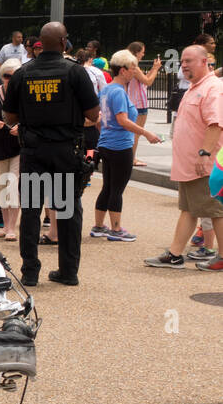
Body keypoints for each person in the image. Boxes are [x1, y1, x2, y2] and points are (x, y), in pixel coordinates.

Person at [2, 21, 99, 287]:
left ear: (40, 43)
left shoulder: (23, 73)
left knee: (31, 211)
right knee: (67, 210)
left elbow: (9, 116)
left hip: (34, 151)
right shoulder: (75, 72)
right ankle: (68, 271)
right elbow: (93, 113)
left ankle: (29, 271)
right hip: (66, 151)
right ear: (63, 41)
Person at [144, 43, 223, 271]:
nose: (184, 65)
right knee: (188, 210)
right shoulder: (195, 86)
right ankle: (175, 254)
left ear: (204, 61)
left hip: (204, 165)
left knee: (216, 212)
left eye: (189, 61)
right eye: (183, 61)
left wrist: (205, 153)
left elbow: (216, 123)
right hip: (191, 165)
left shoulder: (212, 88)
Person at [92, 50, 161, 242]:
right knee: (117, 189)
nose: (134, 72)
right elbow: (123, 120)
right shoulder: (119, 92)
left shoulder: (105, 89)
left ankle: (98, 225)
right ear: (123, 70)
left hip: (106, 142)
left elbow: (99, 120)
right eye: (132, 68)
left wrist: (105, 133)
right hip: (120, 144)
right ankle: (116, 229)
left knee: (107, 185)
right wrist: (146, 132)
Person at [0, 57, 23, 241]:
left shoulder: (24, 95)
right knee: (1, 187)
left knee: (13, 186)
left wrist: (22, 127)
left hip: (18, 147)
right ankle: (5, 225)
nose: (10, 80)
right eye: (6, 76)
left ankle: (11, 228)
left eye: (14, 77)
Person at [125, 42, 161, 166]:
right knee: (136, 133)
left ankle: (130, 157)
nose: (143, 54)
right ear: (136, 52)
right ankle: (132, 158)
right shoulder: (134, 67)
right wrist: (156, 69)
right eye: (142, 52)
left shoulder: (129, 65)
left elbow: (143, 81)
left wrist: (153, 69)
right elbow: (148, 81)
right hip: (139, 103)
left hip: (133, 101)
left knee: (133, 132)